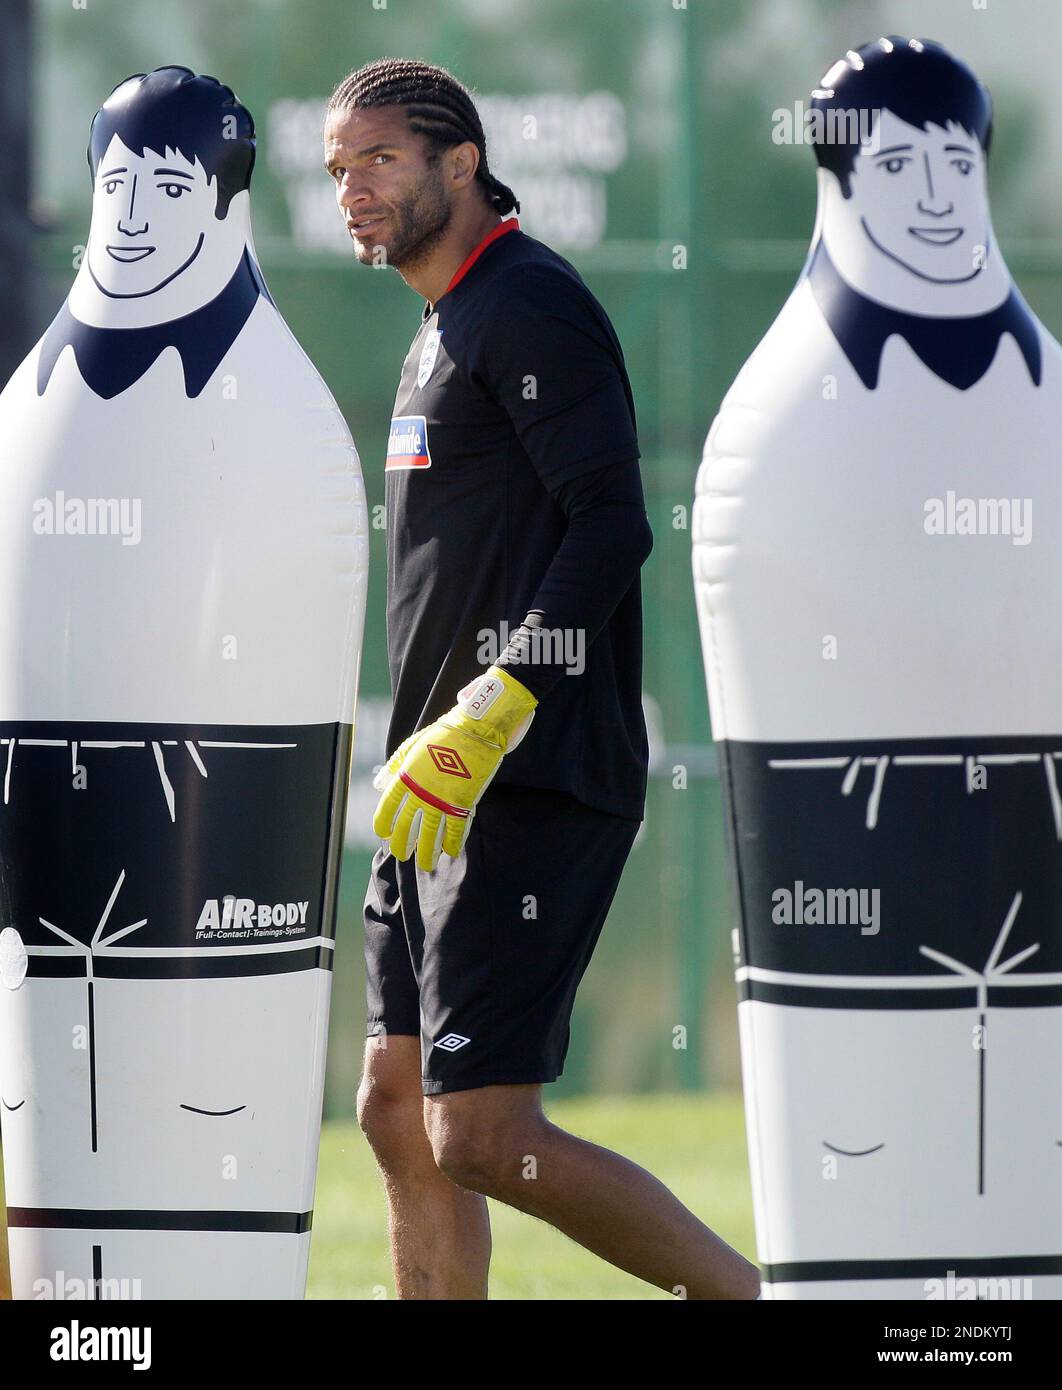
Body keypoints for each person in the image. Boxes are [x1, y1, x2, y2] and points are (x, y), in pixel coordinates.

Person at [324, 57, 759, 1301]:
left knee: (482, 1132)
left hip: (528, 774)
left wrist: (498, 704)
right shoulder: (438, 327)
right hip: (432, 787)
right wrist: (436, 742)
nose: (355, 189)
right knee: (396, 1109)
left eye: (382, 160)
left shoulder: (528, 304)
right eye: (339, 169)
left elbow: (613, 524)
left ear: (461, 164)